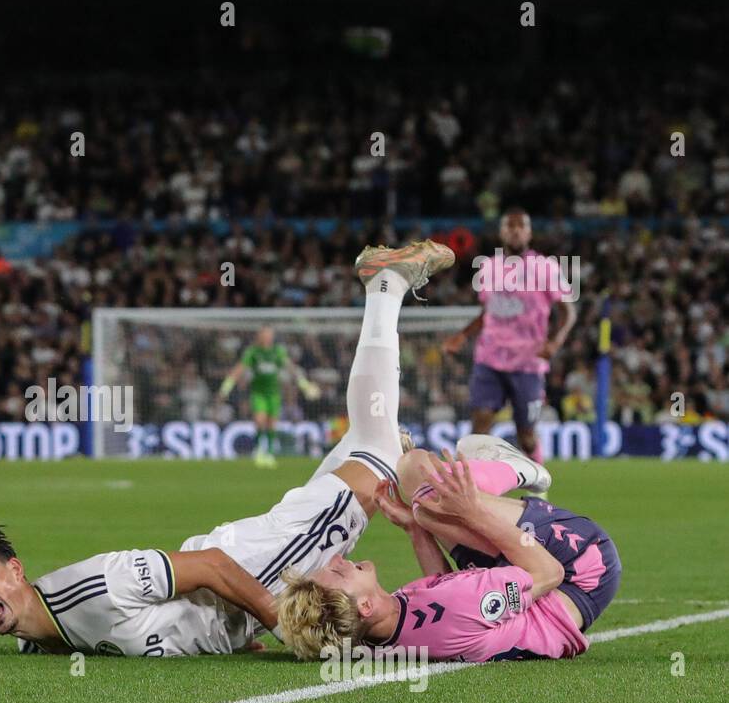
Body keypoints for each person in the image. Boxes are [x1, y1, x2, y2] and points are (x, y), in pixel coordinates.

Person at [0, 240, 457, 657]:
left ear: (16, 570)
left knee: (381, 450)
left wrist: (277, 622)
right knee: (370, 447)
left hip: (258, 563)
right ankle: (364, 439)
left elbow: (211, 566)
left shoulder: (96, 585)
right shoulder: (38, 632)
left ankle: (384, 284)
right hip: (250, 577)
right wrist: (225, 634)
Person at [276, 439, 621, 662]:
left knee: (418, 489)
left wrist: (416, 529)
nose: (338, 559)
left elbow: (442, 587)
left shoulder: (375, 635)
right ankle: (515, 469)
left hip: (526, 582)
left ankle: (469, 487)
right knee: (427, 490)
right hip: (580, 569)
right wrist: (475, 512)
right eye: (337, 571)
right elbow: (547, 574)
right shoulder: (459, 606)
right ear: (364, 606)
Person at [442, 209, 577, 462]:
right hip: (489, 357)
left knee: (526, 434)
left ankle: (539, 490)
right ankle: (472, 490)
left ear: (529, 232)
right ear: (501, 231)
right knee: (480, 424)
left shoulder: (545, 267)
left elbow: (569, 310)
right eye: (509, 225)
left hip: (527, 362)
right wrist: (462, 335)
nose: (515, 230)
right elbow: (489, 312)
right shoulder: (488, 267)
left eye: (521, 225)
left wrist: (556, 341)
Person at [219, 326, 318, 468]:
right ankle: (259, 451)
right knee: (260, 421)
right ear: (259, 336)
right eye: (264, 334)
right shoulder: (253, 352)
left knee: (271, 423)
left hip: (274, 393)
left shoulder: (277, 351)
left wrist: (304, 384)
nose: (267, 337)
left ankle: (270, 453)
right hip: (258, 393)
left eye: (269, 334)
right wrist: (226, 386)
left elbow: (290, 367)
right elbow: (239, 368)